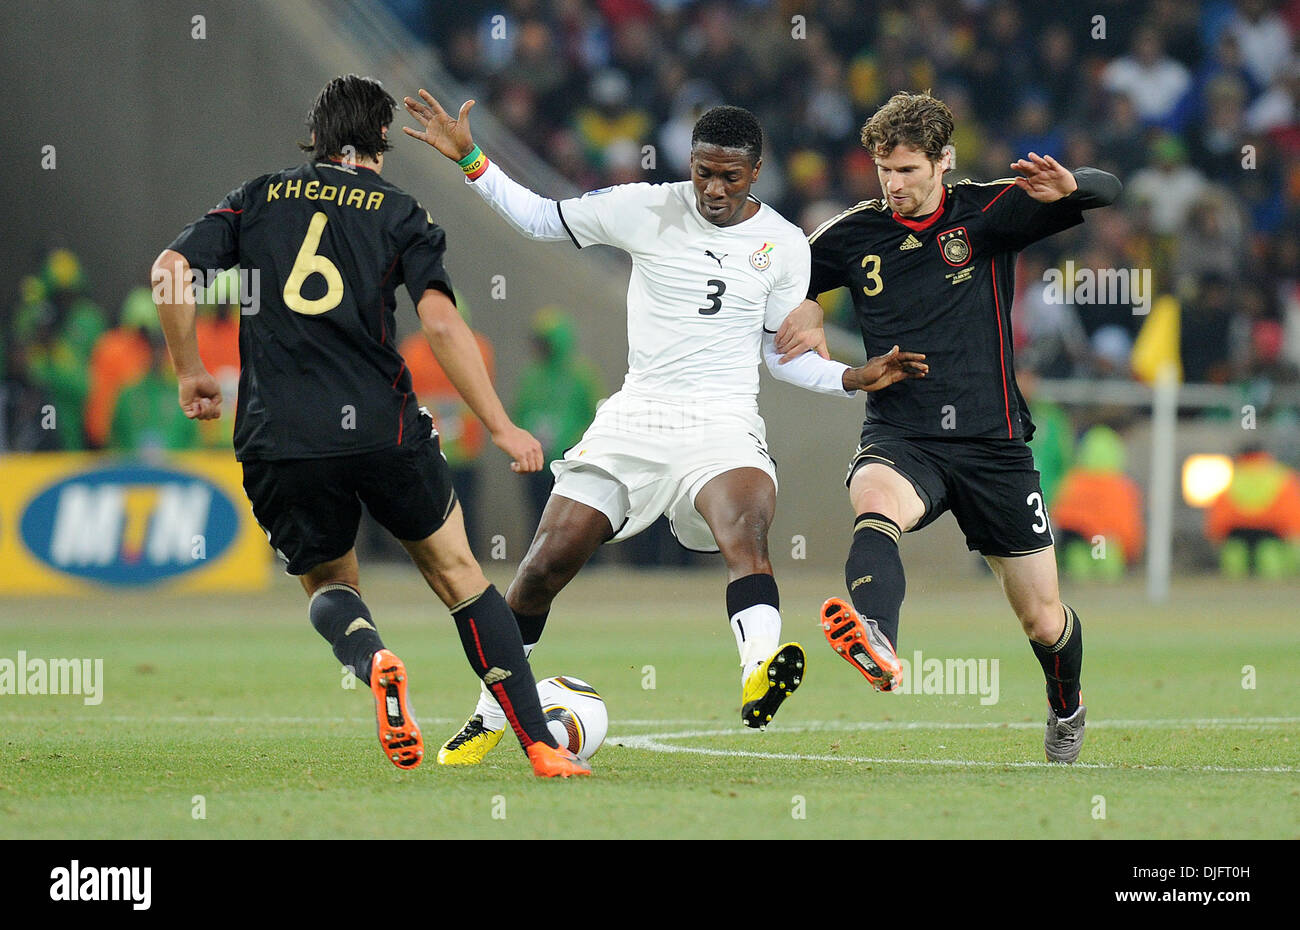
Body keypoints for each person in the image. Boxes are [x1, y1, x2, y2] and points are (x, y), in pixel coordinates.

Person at [402, 90, 926, 764]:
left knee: (748, 527)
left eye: (728, 177)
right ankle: (489, 716)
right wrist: (470, 158)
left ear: (755, 173)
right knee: (542, 567)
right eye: (702, 171)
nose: (712, 188)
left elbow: (781, 357)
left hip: (724, 420)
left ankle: (758, 673)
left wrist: (850, 377)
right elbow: (536, 218)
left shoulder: (786, 247)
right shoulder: (644, 207)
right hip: (638, 416)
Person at [150, 74, 589, 778]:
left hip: (279, 434)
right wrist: (501, 425)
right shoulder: (400, 212)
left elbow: (170, 270)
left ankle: (373, 657)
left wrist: (189, 369)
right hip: (381, 429)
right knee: (460, 577)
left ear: (316, 139)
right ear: (381, 143)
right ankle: (540, 745)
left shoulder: (258, 197)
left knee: (329, 582)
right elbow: (441, 322)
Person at [780, 91, 1120, 763]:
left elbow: (1107, 193)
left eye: (907, 170)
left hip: (993, 444)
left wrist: (1074, 186)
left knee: (1043, 619)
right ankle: (876, 637)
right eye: (884, 170)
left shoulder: (990, 211)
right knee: (874, 501)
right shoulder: (853, 234)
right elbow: (782, 281)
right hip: (904, 433)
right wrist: (809, 307)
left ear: (944, 162)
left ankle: (1066, 707)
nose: (894, 185)